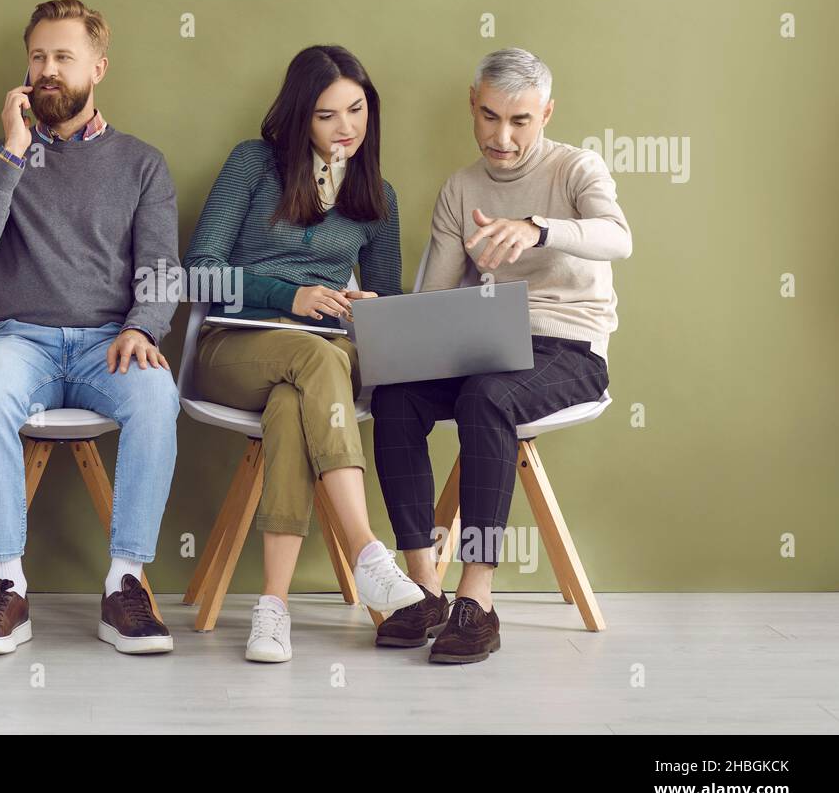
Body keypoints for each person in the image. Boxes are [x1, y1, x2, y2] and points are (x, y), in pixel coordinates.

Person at [371, 47, 632, 664]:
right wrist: (384, 317)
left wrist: (538, 228)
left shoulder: (576, 169)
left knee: (487, 396)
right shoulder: (460, 189)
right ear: (473, 104)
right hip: (480, 346)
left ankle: (477, 600)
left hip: (567, 349)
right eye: (489, 117)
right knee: (395, 395)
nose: (503, 137)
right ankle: (423, 589)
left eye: (520, 121)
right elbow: (432, 300)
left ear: (547, 113)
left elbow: (617, 237)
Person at [0, 0, 181, 656]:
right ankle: (7, 586)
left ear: (98, 68)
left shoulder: (142, 164)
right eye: (39, 57)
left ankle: (125, 584)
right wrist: (14, 155)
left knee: (158, 397)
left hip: (111, 343)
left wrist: (144, 327)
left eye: (64, 58)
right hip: (18, 340)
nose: (48, 70)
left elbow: (163, 269)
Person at [182, 45, 423, 664]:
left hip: (321, 361)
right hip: (234, 347)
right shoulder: (253, 164)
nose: (347, 127)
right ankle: (369, 551)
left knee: (294, 404)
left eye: (357, 109)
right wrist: (291, 297)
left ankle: (272, 608)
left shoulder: (378, 196)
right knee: (315, 366)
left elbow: (390, 304)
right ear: (299, 118)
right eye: (326, 115)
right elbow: (198, 274)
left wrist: (364, 305)